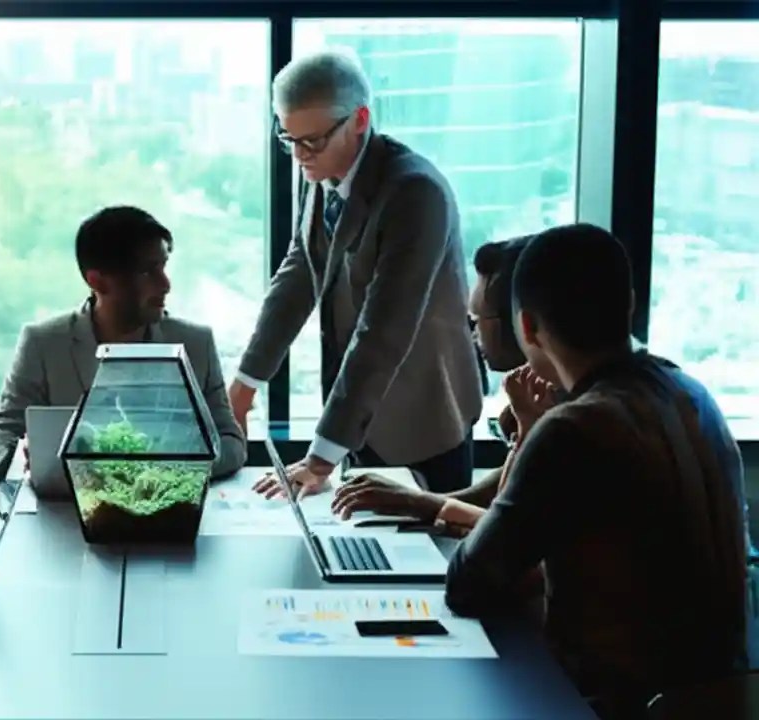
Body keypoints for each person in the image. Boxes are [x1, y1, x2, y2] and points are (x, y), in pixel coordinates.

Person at [445, 223, 750, 716]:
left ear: (527, 327)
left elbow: (470, 584)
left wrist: (528, 432)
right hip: (725, 702)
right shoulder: (693, 396)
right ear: (628, 304)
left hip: (609, 705)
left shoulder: (576, 428)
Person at [238, 49, 482, 499]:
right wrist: (245, 385)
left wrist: (319, 458)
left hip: (421, 417)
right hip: (354, 415)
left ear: (360, 120)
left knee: (425, 560)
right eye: (288, 138)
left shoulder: (414, 193)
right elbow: (300, 273)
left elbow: (383, 330)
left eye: (311, 141)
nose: (298, 155)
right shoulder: (317, 167)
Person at [0, 205, 246, 481]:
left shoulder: (194, 343)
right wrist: (14, 462)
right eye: (146, 272)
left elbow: (232, 443)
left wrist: (170, 467)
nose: (165, 284)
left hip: (171, 508)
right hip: (65, 513)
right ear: (96, 280)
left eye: (163, 267)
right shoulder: (44, 344)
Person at [329, 236, 542, 532]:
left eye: (476, 321)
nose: (473, 335)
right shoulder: (545, 396)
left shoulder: (567, 417)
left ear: (523, 325)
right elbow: (504, 497)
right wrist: (418, 501)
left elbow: (504, 533)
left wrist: (527, 435)